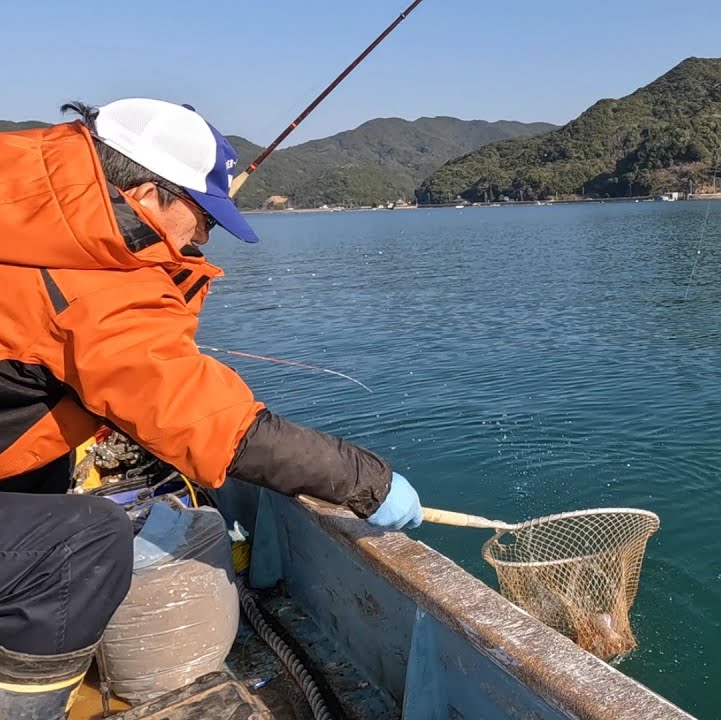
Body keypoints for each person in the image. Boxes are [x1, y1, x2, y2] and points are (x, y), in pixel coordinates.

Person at [0, 98, 423, 715]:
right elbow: (219, 428)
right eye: (203, 217)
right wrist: (370, 482)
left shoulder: (27, 194)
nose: (202, 237)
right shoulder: (94, 285)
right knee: (83, 543)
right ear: (145, 194)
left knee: (46, 470)